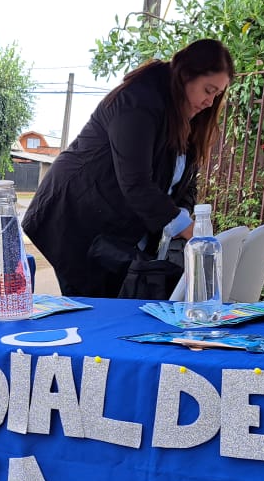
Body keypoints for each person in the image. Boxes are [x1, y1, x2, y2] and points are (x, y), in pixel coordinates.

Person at [21, 39, 234, 298]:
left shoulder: (185, 117)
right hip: (75, 219)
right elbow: (136, 183)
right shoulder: (137, 102)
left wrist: (184, 216)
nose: (210, 102)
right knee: (95, 313)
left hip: (115, 229)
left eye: (217, 95)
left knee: (114, 311)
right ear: (186, 75)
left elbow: (186, 183)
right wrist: (186, 228)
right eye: (208, 90)